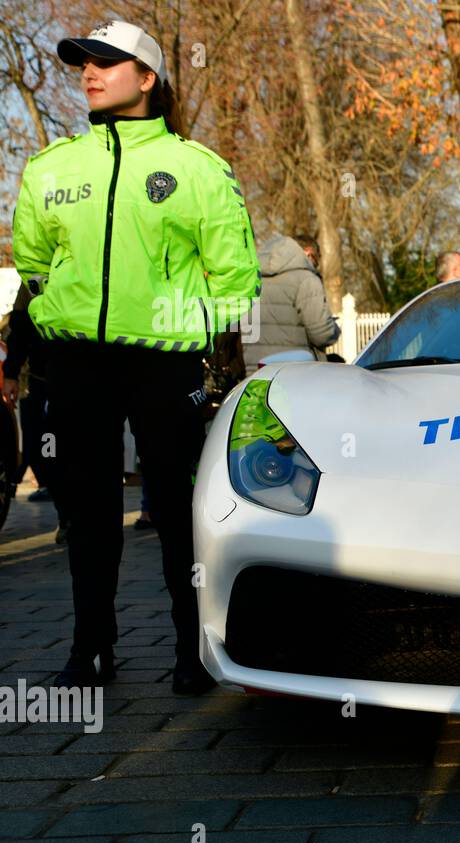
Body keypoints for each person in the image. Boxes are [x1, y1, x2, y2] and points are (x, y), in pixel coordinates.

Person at [12, 20, 261, 692]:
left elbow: (235, 282)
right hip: (74, 366)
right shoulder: (50, 167)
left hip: (163, 366)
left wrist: (174, 330)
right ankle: (91, 649)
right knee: (88, 515)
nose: (88, 72)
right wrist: (50, 318)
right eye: (81, 63)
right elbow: (33, 264)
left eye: (105, 62)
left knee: (177, 512)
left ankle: (191, 649)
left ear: (147, 77)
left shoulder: (197, 169)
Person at [1, 284, 69, 542]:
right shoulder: (33, 277)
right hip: (41, 383)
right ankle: (66, 514)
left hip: (79, 381)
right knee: (45, 451)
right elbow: (19, 326)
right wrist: (11, 373)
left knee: (78, 452)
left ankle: (79, 514)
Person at [241, 232, 339, 371]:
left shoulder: (249, 280)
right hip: (294, 373)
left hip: (254, 373)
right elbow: (321, 334)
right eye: (316, 260)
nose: (315, 266)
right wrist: (334, 329)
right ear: (308, 253)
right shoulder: (306, 279)